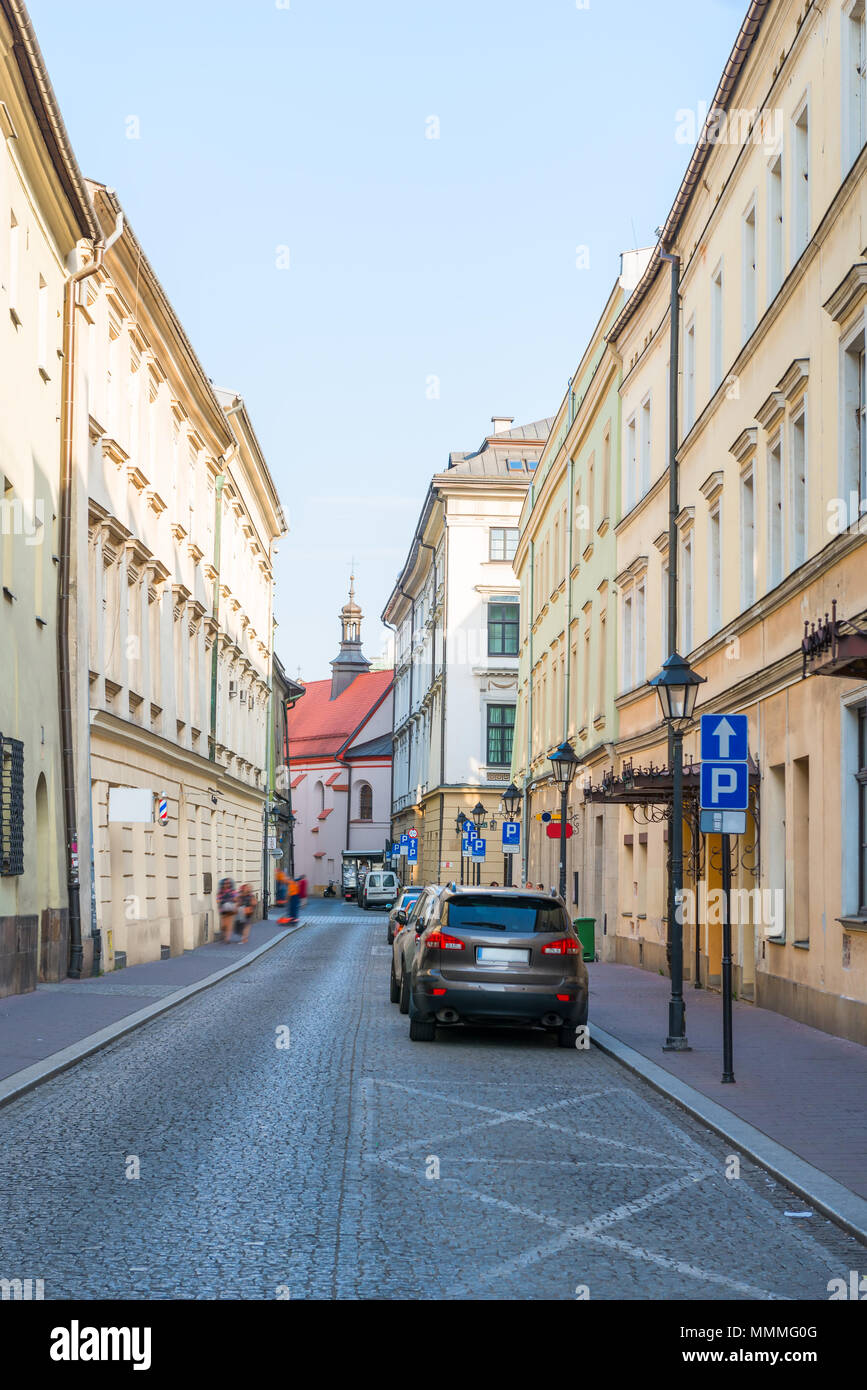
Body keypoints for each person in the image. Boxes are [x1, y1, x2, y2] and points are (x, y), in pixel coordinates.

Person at [217, 877, 236, 943]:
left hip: (230, 909)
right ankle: (224, 935)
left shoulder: (233, 891)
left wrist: (231, 900)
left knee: (229, 924)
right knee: (224, 925)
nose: (226, 885)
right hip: (223, 909)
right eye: (225, 883)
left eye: (228, 883)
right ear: (223, 884)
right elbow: (218, 900)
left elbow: (236, 899)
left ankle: (227, 939)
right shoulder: (220, 892)